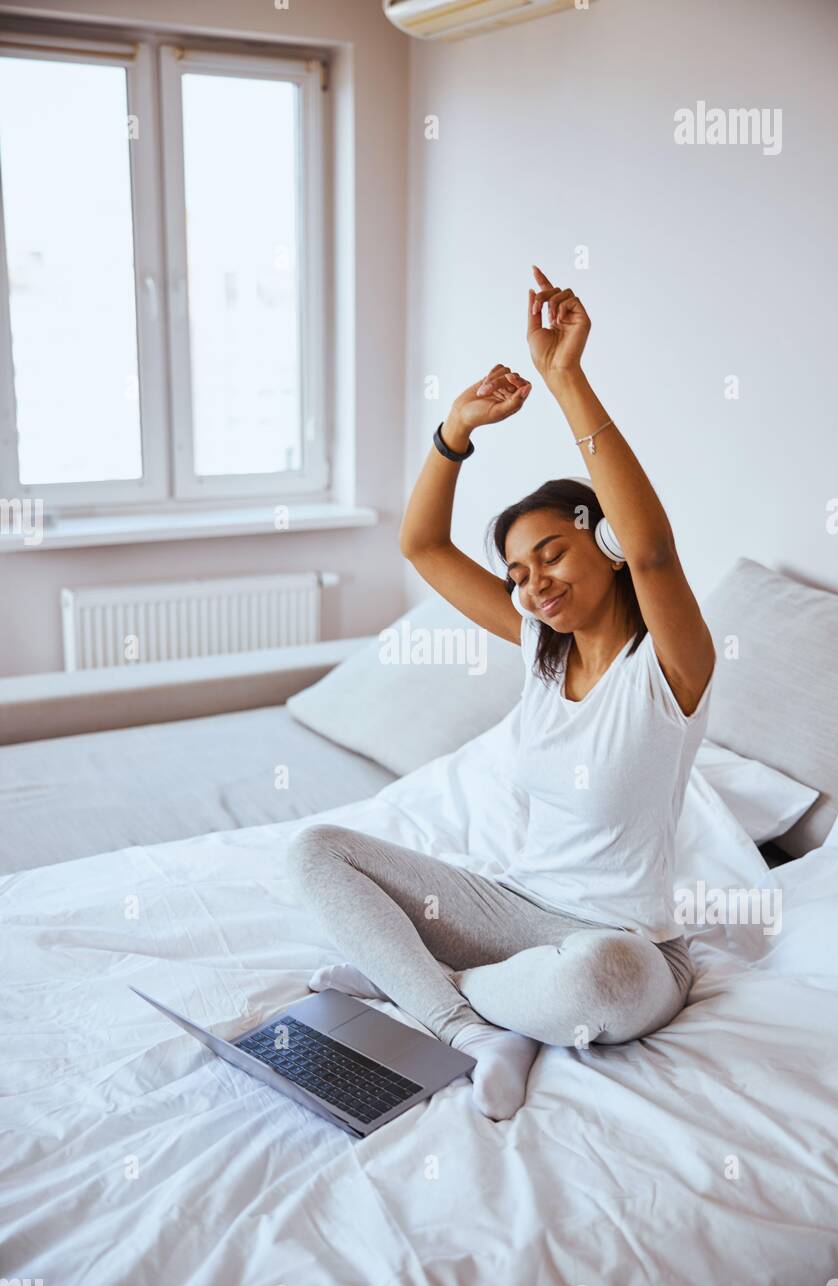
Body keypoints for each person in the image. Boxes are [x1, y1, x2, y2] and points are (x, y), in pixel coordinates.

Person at [287, 265, 716, 1121]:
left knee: (600, 982)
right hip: (511, 910)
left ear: (603, 544)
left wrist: (565, 378)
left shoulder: (671, 668)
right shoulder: (538, 648)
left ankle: (418, 982)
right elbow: (423, 545)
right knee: (316, 852)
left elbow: (657, 548)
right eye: (519, 572)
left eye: (552, 554)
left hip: (623, 945)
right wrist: (454, 432)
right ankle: (471, 1024)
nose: (533, 585)